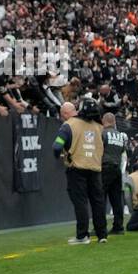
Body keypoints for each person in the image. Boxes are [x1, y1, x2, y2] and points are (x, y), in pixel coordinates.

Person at [54, 99, 109, 244]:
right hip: (95, 169)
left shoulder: (68, 125)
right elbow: (105, 145)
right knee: (98, 202)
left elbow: (57, 146)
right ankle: (102, 234)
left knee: (81, 202)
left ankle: (82, 235)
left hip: (77, 168)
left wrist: (58, 155)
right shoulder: (99, 127)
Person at [100, 112, 129, 235]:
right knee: (117, 199)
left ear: (104, 121)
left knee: (100, 198)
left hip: (105, 167)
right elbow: (123, 150)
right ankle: (118, 226)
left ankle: (100, 227)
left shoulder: (102, 133)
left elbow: (99, 149)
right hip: (117, 168)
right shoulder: (120, 136)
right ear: (114, 122)